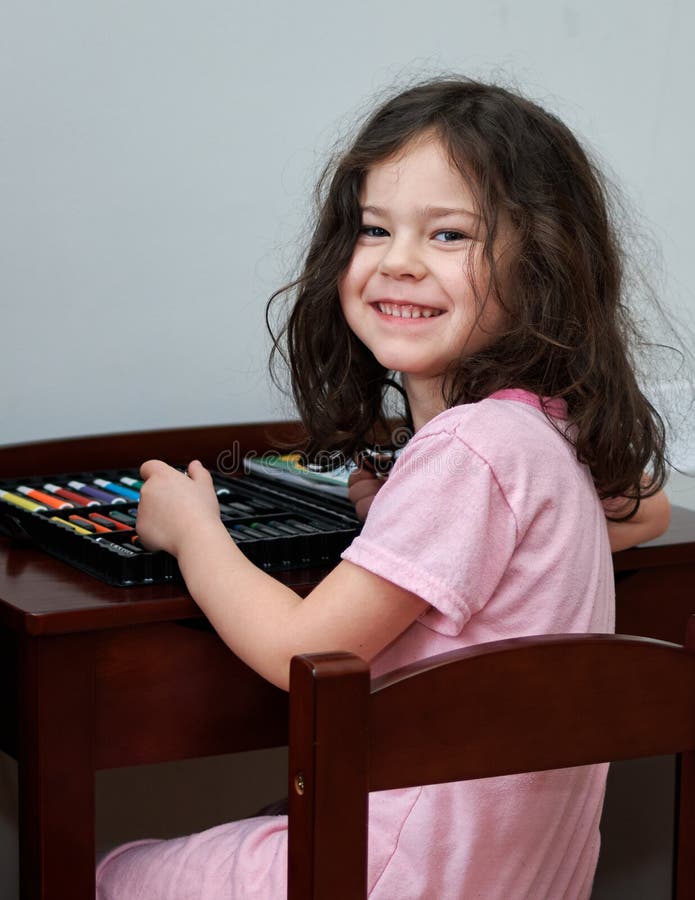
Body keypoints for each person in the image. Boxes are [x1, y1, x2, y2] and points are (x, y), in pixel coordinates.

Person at [96, 77, 672, 899]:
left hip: (396, 877)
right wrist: (412, 519)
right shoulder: (547, 431)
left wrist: (194, 532)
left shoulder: (471, 449)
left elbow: (301, 650)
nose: (397, 261)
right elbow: (645, 508)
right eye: (374, 228)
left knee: (115, 875)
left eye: (448, 234)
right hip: (517, 882)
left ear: (541, 265)